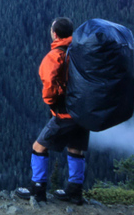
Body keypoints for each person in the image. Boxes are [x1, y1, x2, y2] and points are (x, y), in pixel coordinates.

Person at [16, 17, 88, 205]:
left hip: (64, 112)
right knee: (76, 148)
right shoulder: (81, 50)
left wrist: (50, 102)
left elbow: (49, 83)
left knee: (38, 147)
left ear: (54, 34)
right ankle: (75, 191)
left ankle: (37, 189)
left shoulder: (56, 55)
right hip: (84, 109)